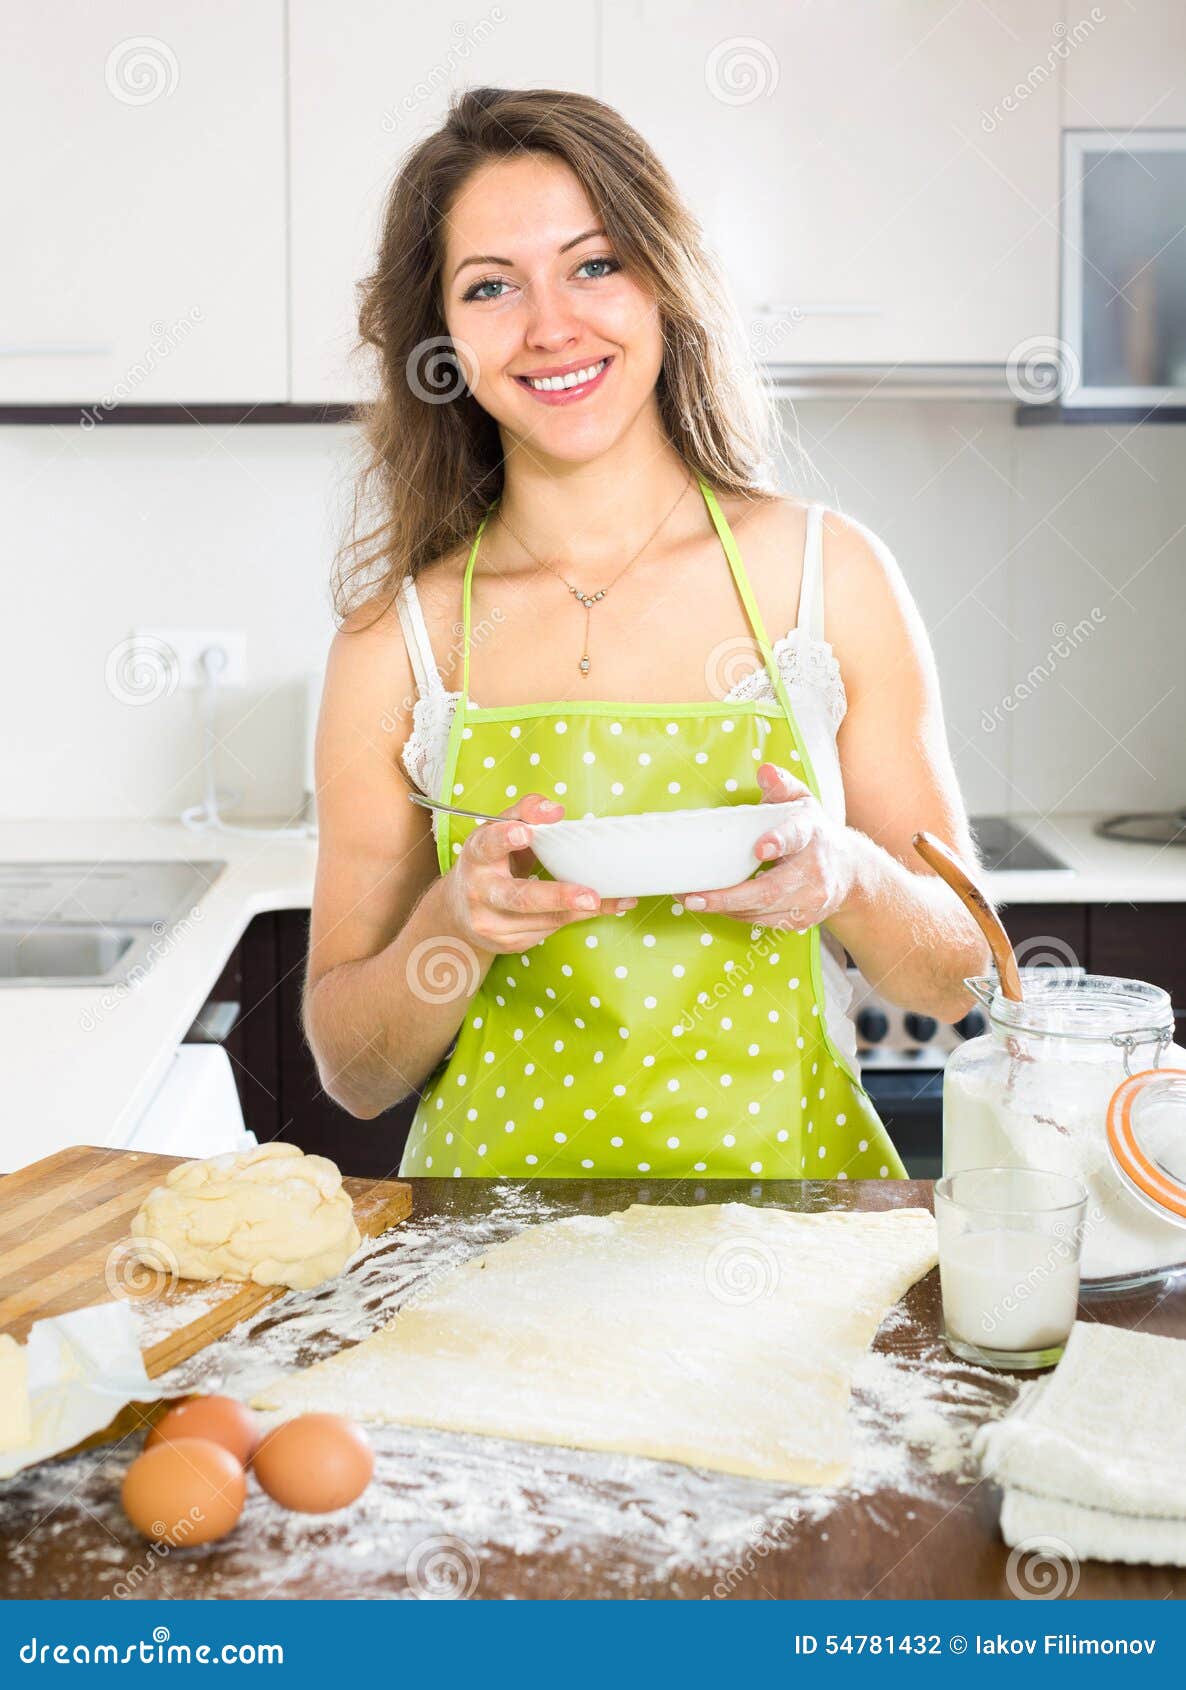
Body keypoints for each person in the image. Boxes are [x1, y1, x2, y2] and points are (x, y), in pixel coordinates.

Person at [305, 86, 990, 1181]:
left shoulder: (827, 576)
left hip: (794, 1249)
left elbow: (964, 977)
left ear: (663, 282)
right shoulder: (399, 643)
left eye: (594, 264)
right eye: (491, 287)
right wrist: (455, 924)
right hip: (488, 1260)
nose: (549, 326)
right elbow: (356, 1070)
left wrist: (846, 876)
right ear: (441, 339)